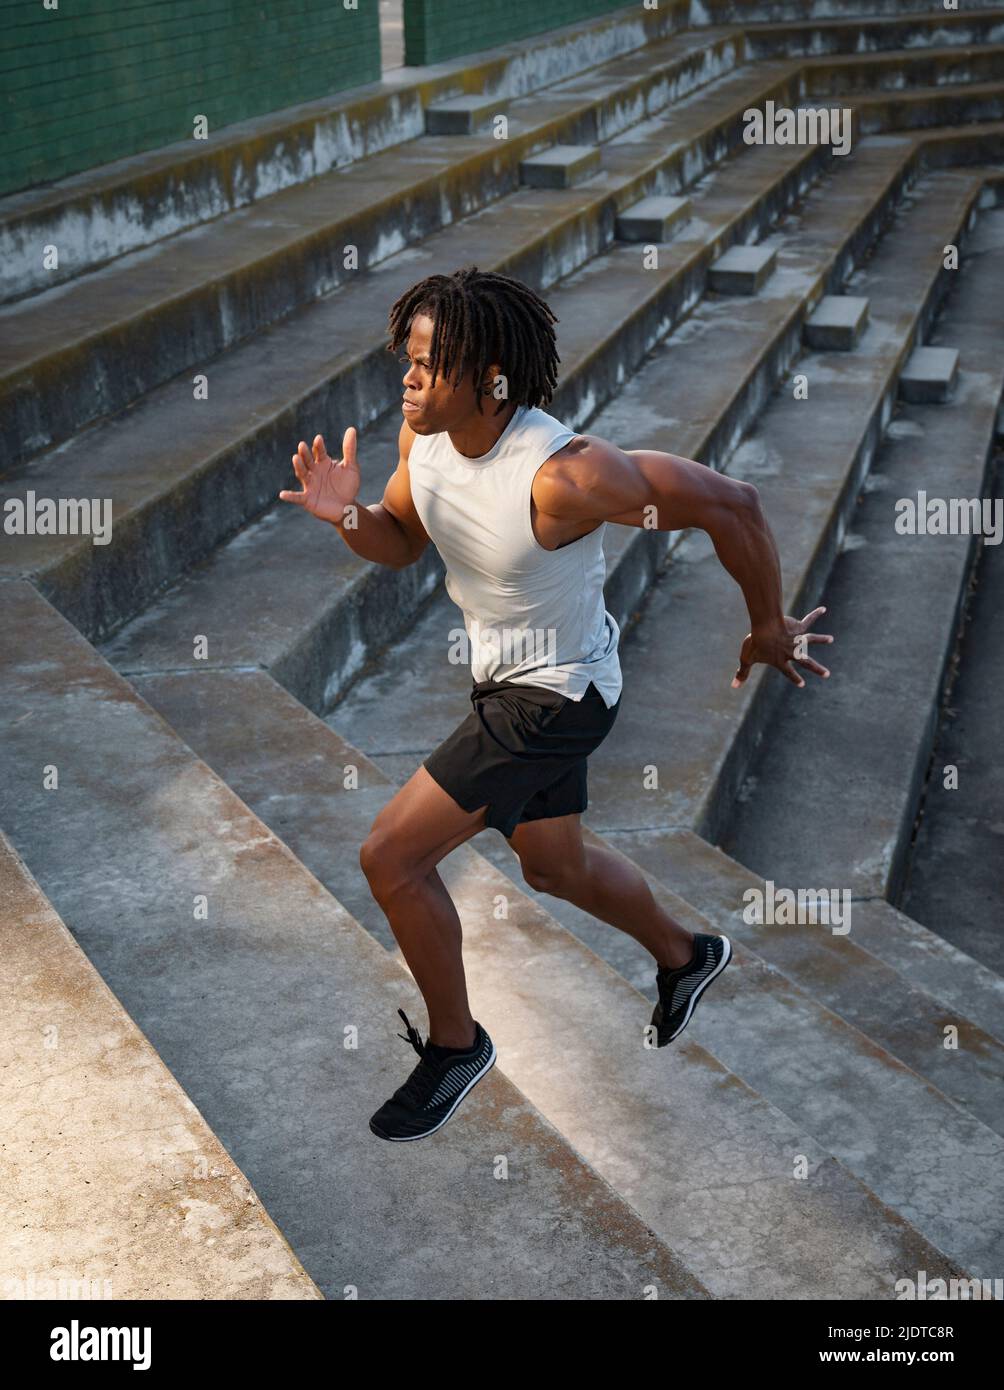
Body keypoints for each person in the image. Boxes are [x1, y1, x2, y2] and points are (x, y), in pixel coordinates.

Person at [280, 265, 833, 1142]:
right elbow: (398, 540)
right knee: (553, 867)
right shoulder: (422, 436)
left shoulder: (565, 477)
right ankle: (687, 957)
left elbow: (734, 503)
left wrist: (768, 626)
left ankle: (456, 1049)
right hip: (507, 682)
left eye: (430, 363)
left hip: (556, 696)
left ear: (491, 377)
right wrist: (346, 518)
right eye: (407, 360)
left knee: (391, 858)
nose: (409, 378)